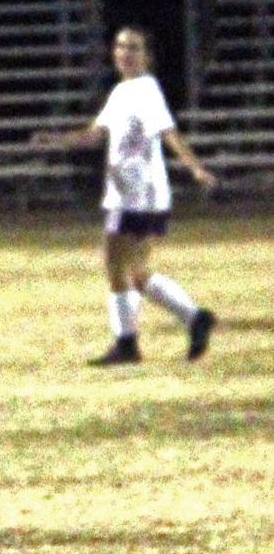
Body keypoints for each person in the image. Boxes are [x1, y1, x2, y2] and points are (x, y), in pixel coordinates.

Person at [30, 25, 218, 365]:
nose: (124, 53)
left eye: (133, 47)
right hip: (133, 193)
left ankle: (128, 342)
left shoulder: (145, 89)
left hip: (137, 194)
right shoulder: (121, 92)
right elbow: (93, 136)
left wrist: (194, 167)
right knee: (135, 271)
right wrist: (56, 139)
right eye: (120, 46)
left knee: (116, 265)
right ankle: (193, 317)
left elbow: (168, 132)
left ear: (147, 56)